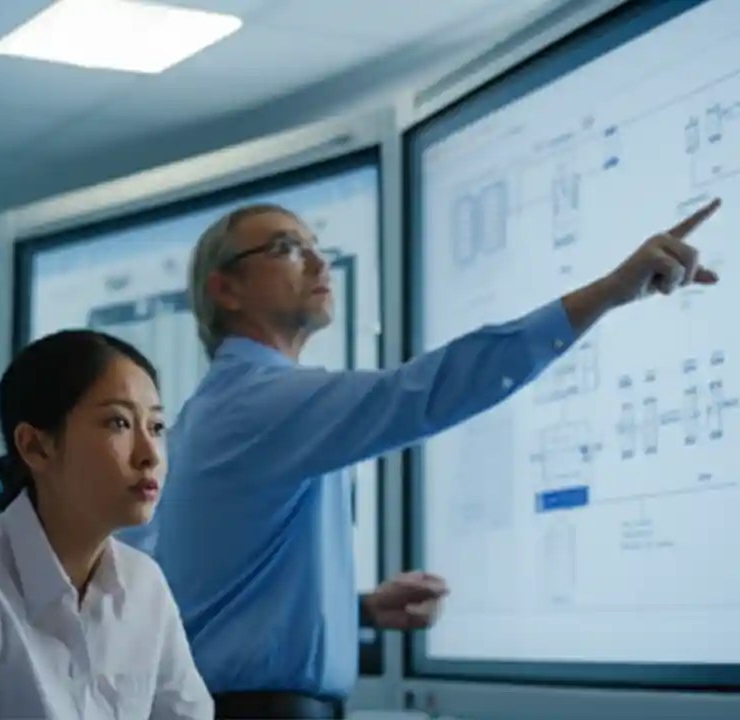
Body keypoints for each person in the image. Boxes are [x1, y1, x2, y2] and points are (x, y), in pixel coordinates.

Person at [127, 198, 723, 719]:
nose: (318, 261)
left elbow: (211, 588)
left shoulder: (221, 411)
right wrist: (609, 292)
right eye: (287, 247)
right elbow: (424, 390)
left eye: (316, 245)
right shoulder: (258, 401)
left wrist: (354, 608)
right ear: (225, 289)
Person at [0, 330, 214, 719]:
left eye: (156, 427)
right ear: (36, 447)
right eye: (118, 423)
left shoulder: (144, 585)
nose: (149, 455)